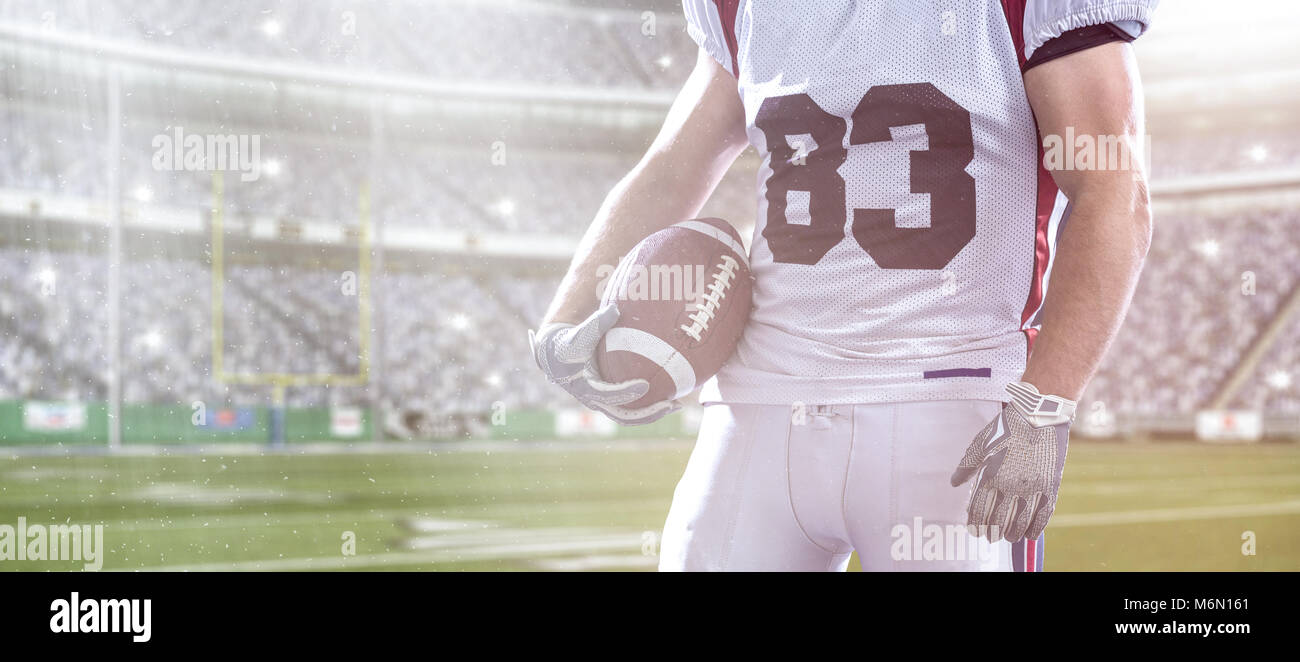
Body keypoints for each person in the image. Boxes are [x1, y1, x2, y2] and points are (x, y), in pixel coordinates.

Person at [531, 0, 1157, 571]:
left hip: (946, 406)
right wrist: (563, 323)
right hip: (759, 401)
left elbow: (1112, 191)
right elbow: (674, 165)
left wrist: (1046, 403)